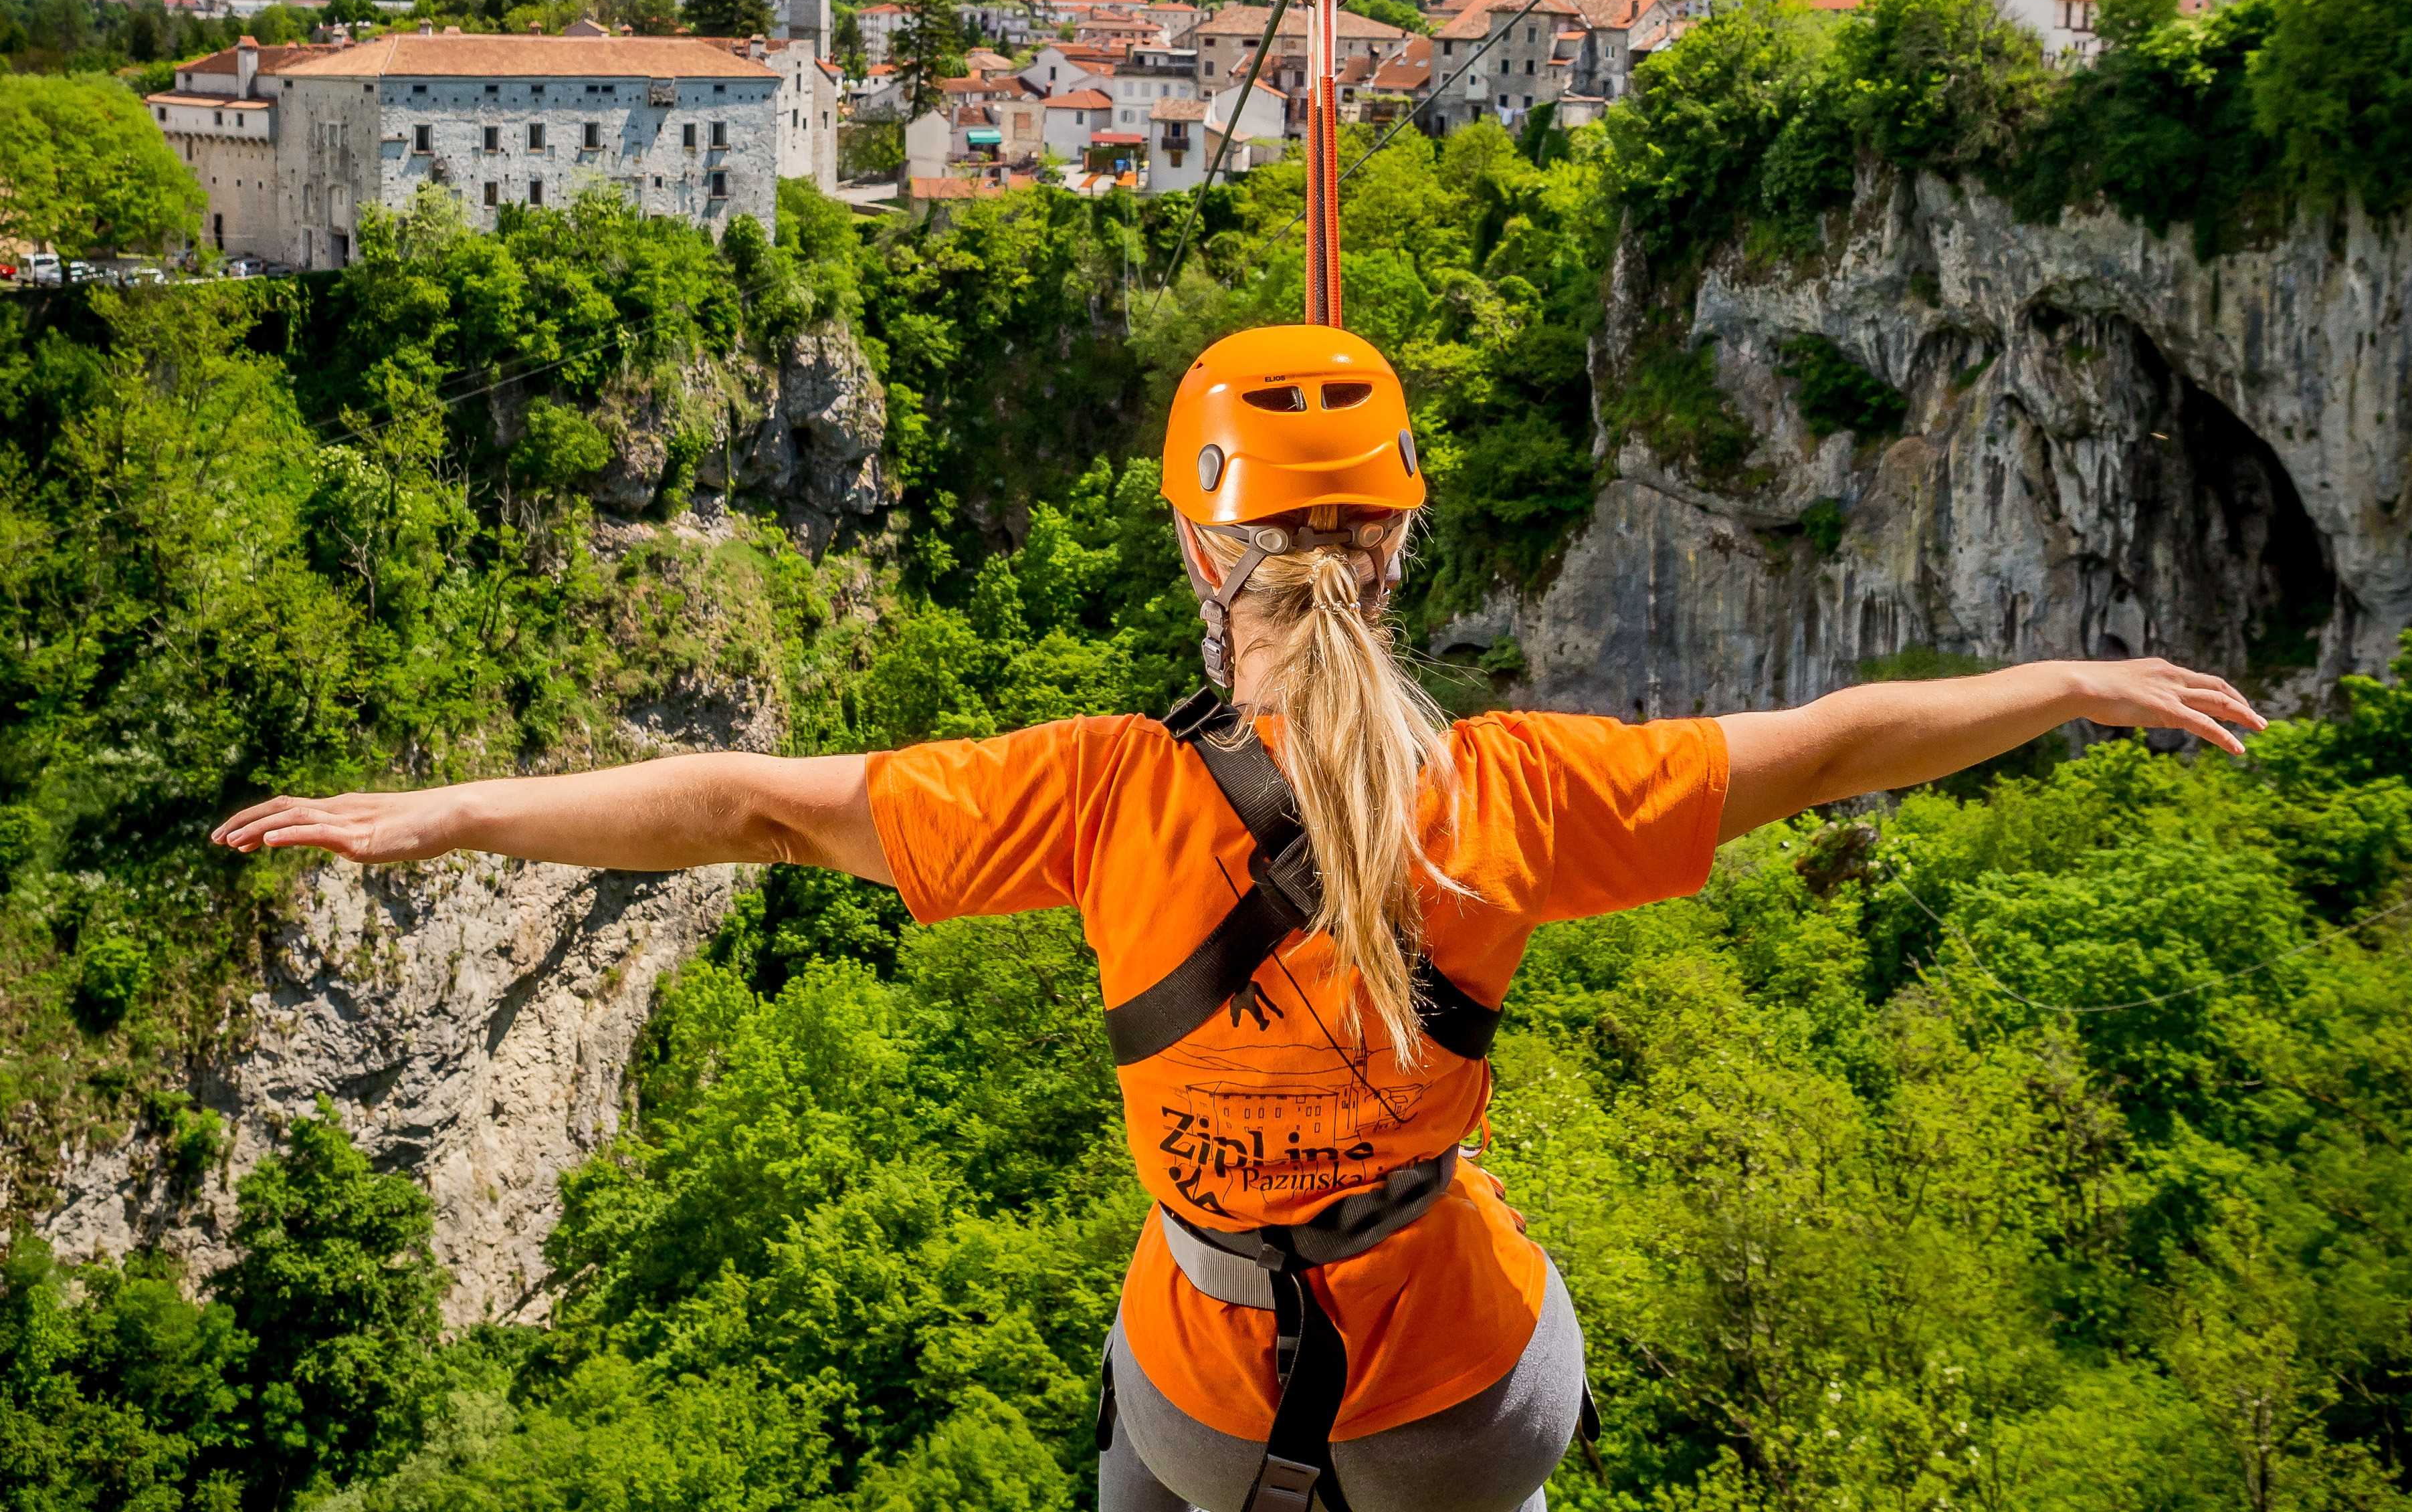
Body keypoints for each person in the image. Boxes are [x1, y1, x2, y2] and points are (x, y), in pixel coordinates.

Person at [214, 326, 2266, 1512]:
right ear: (1401, 542)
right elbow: (1828, 742)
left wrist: (452, 814)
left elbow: (746, 803)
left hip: (1211, 1387)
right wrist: (2070, 685)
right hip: (1466, 1382)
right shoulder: (1516, 793)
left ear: (1208, 554)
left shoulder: (1103, 791)